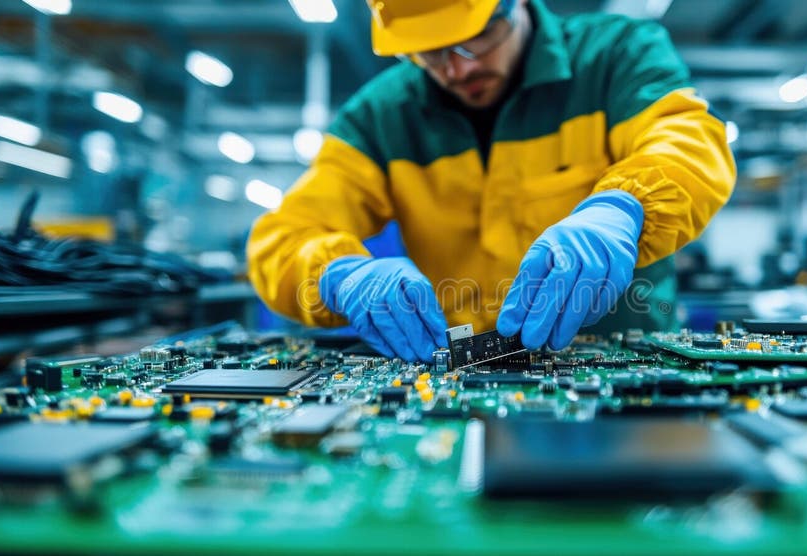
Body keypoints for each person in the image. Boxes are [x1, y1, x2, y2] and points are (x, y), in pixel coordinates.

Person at [247, 0, 735, 361]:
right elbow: (283, 238)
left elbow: (688, 141)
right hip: (457, 376)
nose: (458, 68)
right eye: (429, 52)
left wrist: (622, 208)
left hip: (621, 371)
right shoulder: (378, 117)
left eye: (475, 36)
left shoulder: (616, 56)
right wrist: (340, 275)